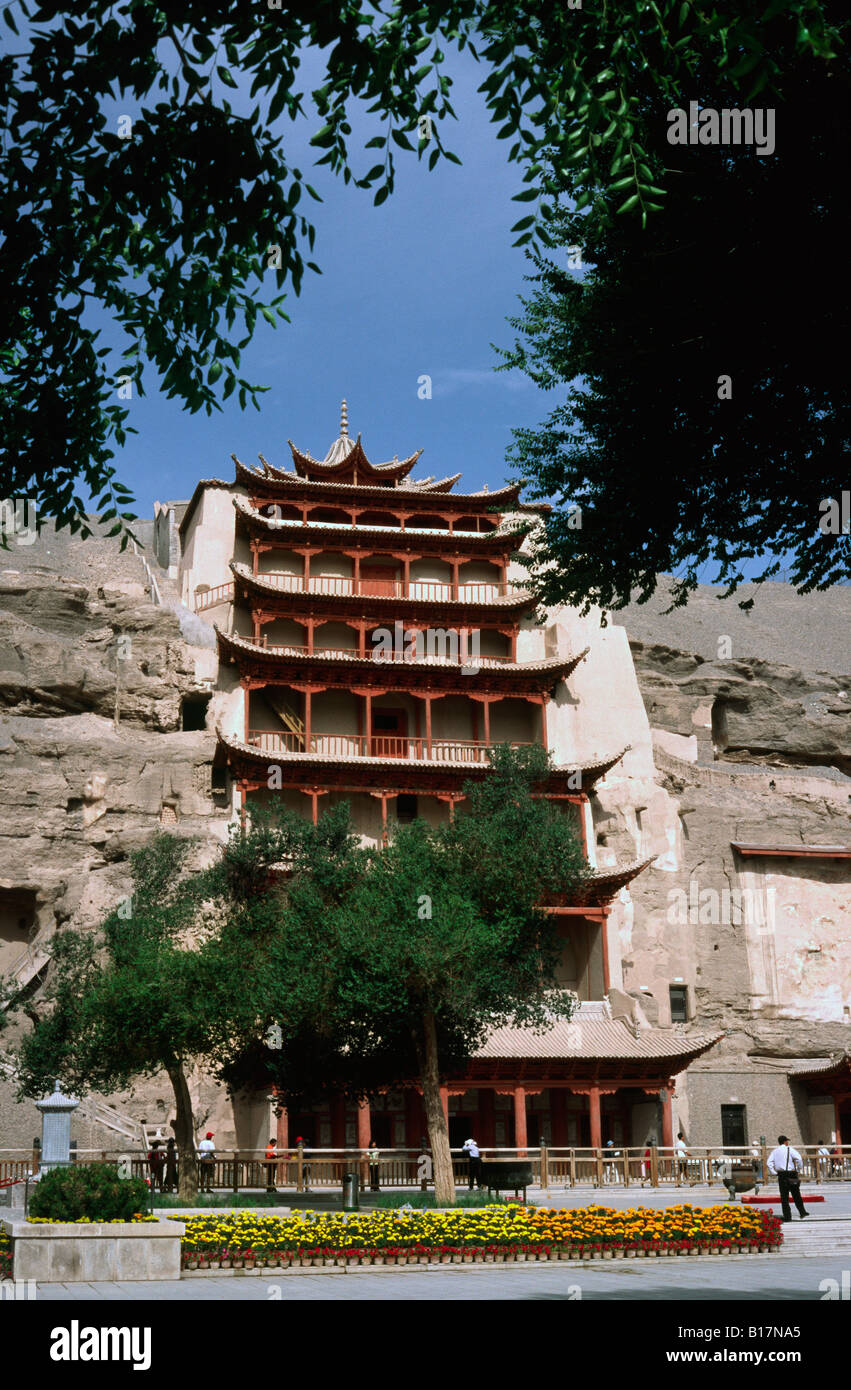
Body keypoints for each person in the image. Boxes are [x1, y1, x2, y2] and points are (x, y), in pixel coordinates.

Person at [767, 1135, 809, 1221]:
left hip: (781, 1175)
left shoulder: (775, 1151)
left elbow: (769, 1163)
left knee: (784, 1197)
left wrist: (774, 1172)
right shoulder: (789, 1149)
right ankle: (802, 1212)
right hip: (791, 1174)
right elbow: (799, 1159)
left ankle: (787, 1216)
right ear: (785, 1142)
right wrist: (798, 1169)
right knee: (796, 1194)